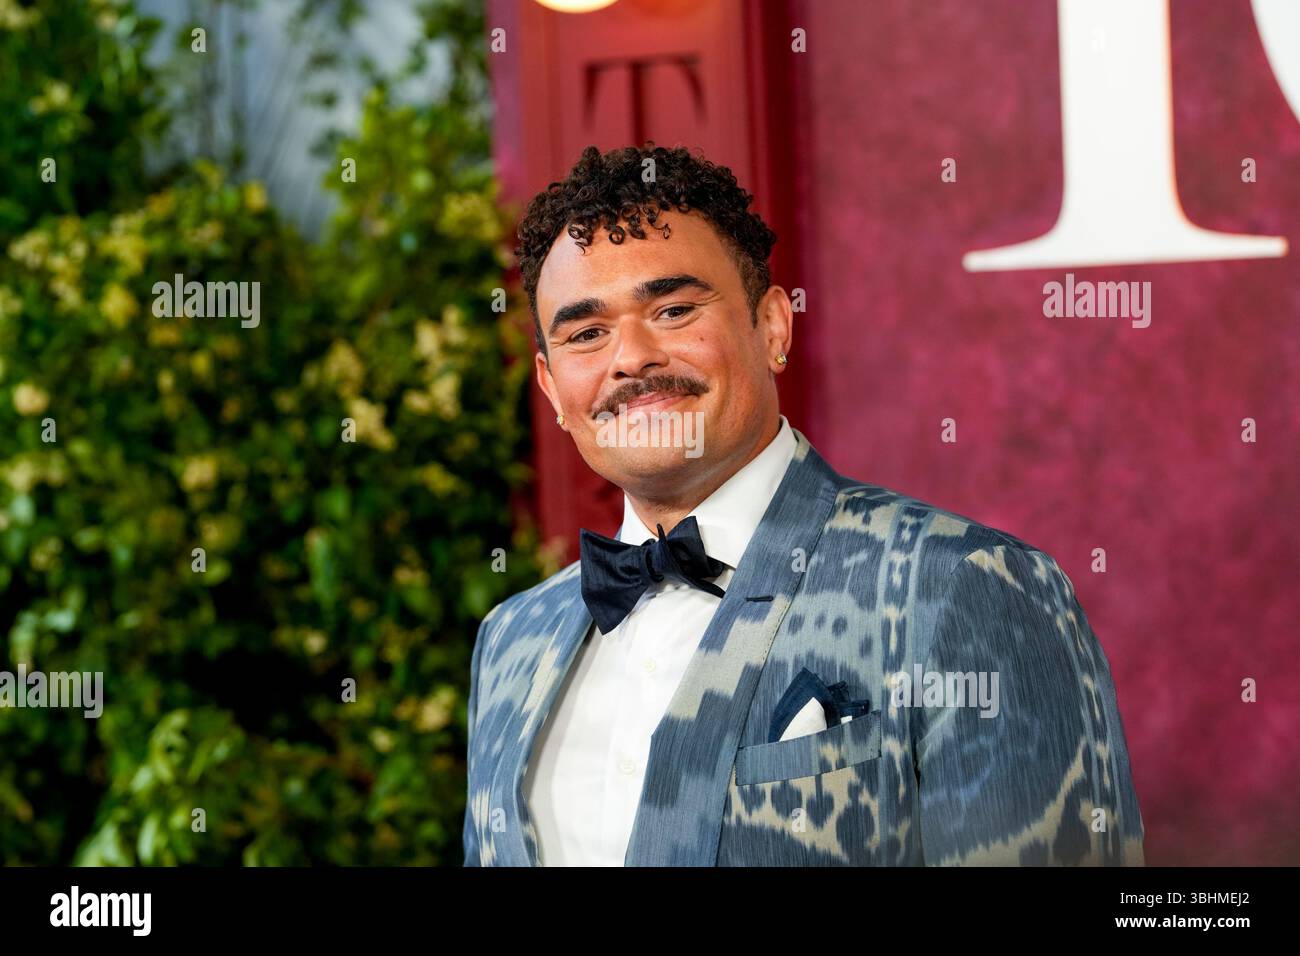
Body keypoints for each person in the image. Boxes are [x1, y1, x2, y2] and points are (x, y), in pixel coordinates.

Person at [462, 143, 1145, 866]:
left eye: (672, 308)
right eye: (587, 333)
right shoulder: (512, 640)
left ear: (773, 329)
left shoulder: (967, 588)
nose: (630, 357)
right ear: (550, 388)